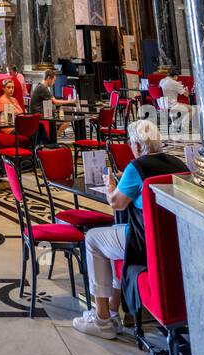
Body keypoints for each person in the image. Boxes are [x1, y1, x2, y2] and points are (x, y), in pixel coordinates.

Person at [71, 118, 190, 340]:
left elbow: (116, 203)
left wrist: (110, 186)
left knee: (94, 239)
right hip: (175, 242)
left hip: (144, 241)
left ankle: (102, 318)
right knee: (112, 237)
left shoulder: (137, 167)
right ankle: (114, 311)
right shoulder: (178, 163)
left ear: (136, 145)